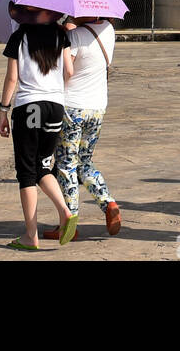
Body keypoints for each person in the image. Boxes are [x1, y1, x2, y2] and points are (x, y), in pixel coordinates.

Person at [0, 14, 77, 250]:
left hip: (29, 106)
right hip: (55, 106)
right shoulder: (61, 35)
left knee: (26, 173)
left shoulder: (19, 36)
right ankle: (65, 211)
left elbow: (12, 78)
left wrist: (3, 110)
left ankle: (30, 235)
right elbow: (69, 71)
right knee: (42, 165)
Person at [42, 14, 122, 240]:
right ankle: (108, 203)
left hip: (73, 108)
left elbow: (67, 71)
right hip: (97, 107)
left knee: (66, 165)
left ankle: (70, 224)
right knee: (84, 161)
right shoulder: (108, 30)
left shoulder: (73, 36)